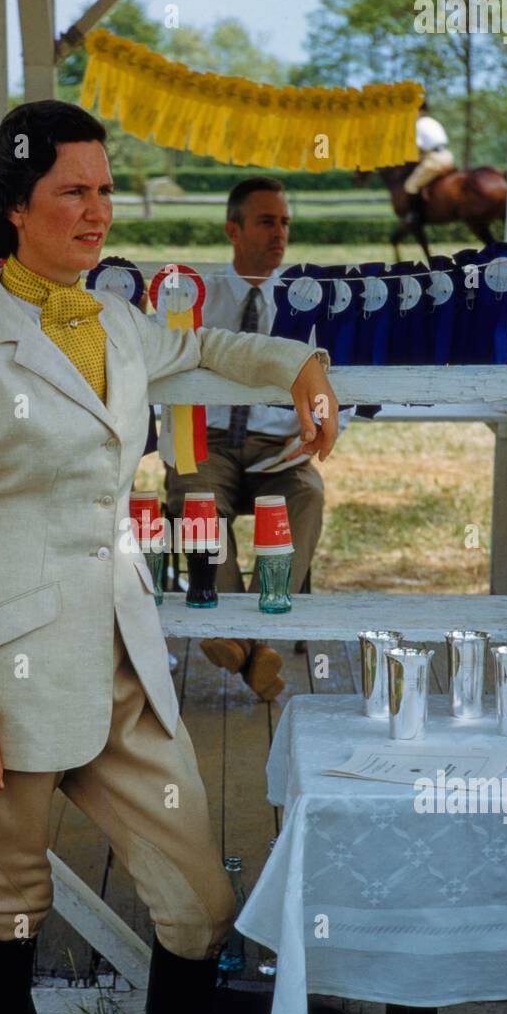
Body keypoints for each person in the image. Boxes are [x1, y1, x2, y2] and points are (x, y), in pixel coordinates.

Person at [0, 101, 338, 1014]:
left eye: (104, 188)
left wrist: (299, 364)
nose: (99, 212)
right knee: (10, 906)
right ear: (10, 211)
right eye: (72, 194)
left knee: (199, 901)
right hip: (5, 682)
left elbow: (208, 342)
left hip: (121, 664)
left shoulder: (119, 321)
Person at [162, 177, 348, 701]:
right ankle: (255, 650)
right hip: (210, 441)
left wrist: (316, 436)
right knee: (196, 498)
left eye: (285, 222)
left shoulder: (305, 299)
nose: (279, 233)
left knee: (308, 493)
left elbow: (335, 391)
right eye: (266, 221)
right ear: (232, 229)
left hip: (278, 449)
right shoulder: (192, 296)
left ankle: (246, 638)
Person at [403, 99, 454, 227]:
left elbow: (416, 145)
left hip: (434, 158)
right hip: (447, 155)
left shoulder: (419, 124)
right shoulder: (433, 121)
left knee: (410, 185)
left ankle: (414, 215)